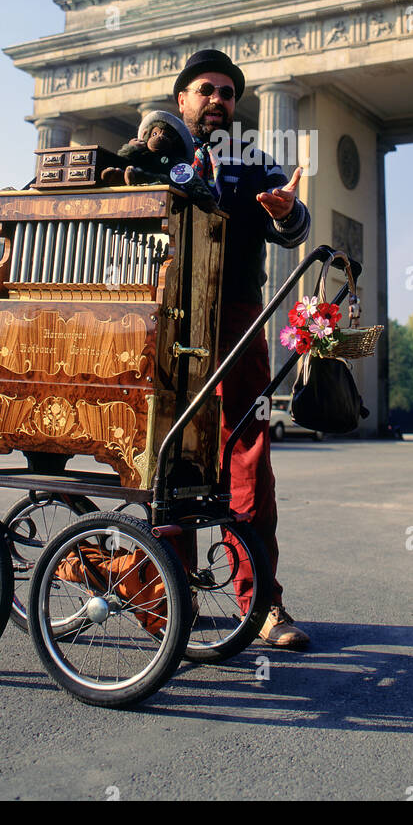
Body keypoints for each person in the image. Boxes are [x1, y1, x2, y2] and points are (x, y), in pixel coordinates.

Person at [174, 48, 312, 650]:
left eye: (228, 93)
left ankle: (264, 605)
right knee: (165, 454)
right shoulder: (156, 149)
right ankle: (164, 598)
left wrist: (287, 212)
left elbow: (294, 218)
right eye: (206, 89)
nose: (218, 100)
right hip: (166, 319)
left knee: (247, 455)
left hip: (234, 319)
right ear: (182, 98)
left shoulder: (252, 160)